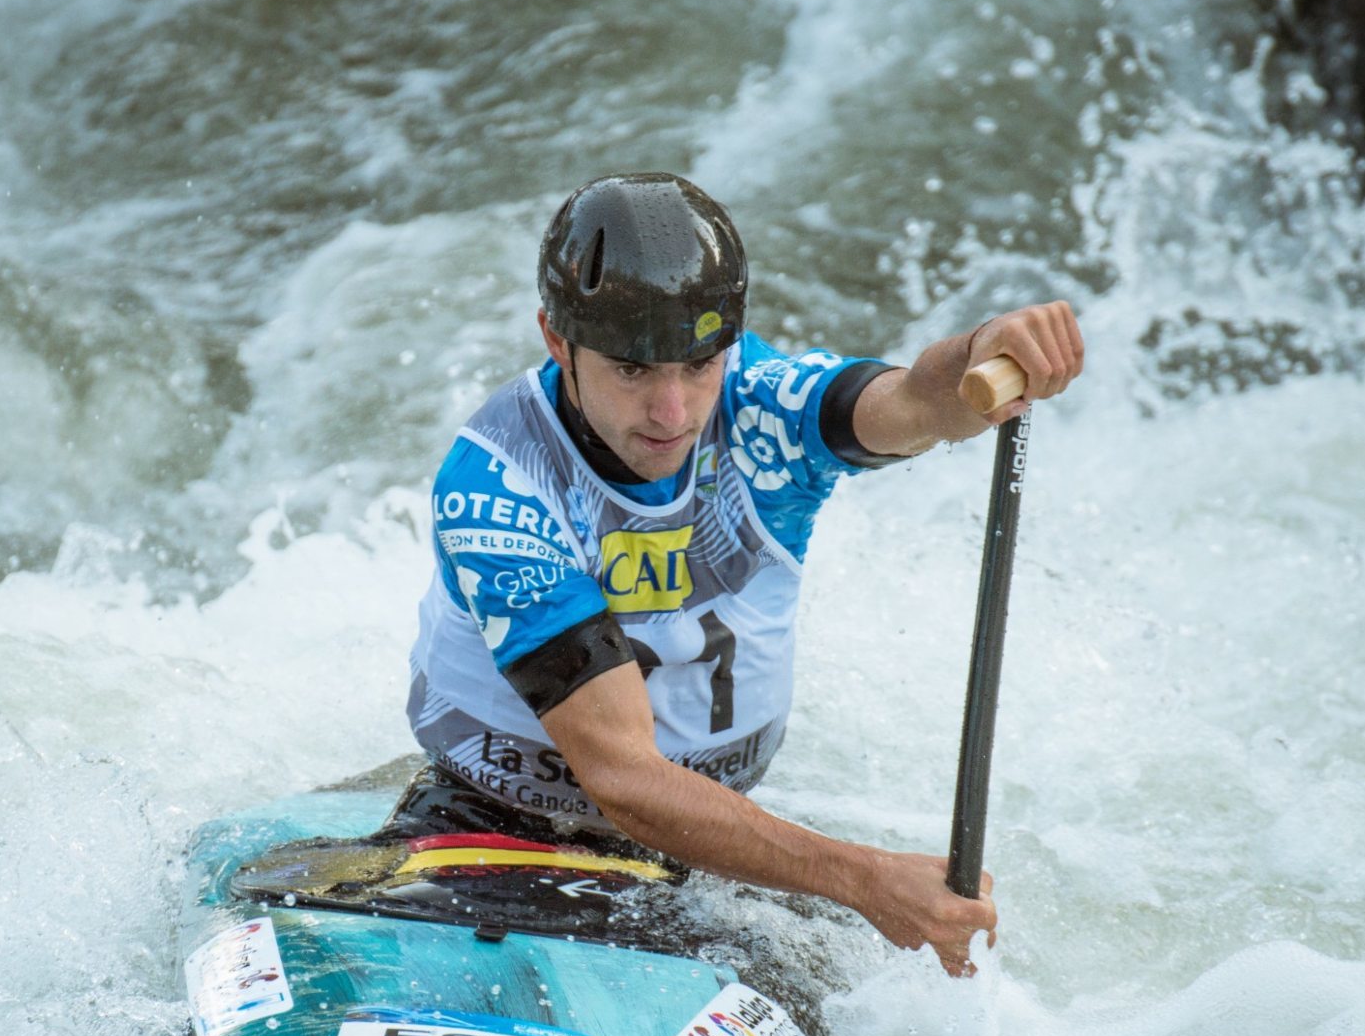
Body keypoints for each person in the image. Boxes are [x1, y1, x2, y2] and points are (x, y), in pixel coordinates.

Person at [401, 172, 1084, 976]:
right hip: (498, 827)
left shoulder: (761, 408)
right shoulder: (500, 486)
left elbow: (918, 403)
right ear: (558, 341)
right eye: (632, 370)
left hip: (715, 846)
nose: (673, 411)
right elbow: (622, 777)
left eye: (698, 365)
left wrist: (980, 355)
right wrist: (865, 880)